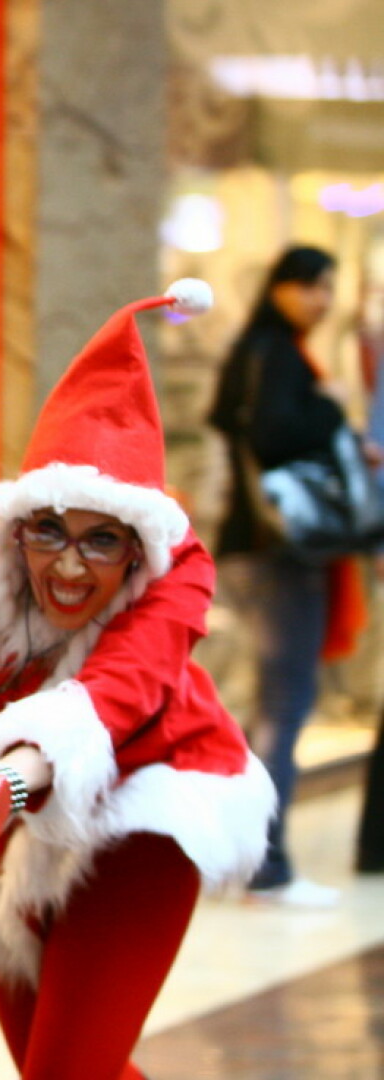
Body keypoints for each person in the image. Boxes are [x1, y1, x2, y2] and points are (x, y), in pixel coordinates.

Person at [0, 282, 275, 1080]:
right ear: (21, 522)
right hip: (4, 820)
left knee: (67, 1071)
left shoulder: (178, 571)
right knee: (68, 1064)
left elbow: (112, 696)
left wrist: (1, 772)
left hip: (142, 808)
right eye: (49, 532)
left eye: (101, 541)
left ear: (136, 544)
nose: (70, 567)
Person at [205, 244, 371, 906]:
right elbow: (274, 433)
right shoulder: (275, 352)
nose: (320, 300)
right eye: (310, 287)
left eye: (327, 288)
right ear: (280, 287)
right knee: (284, 703)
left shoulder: (257, 348)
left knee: (276, 701)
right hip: (279, 551)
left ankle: (241, 850)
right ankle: (265, 865)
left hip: (256, 547)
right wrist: (332, 409)